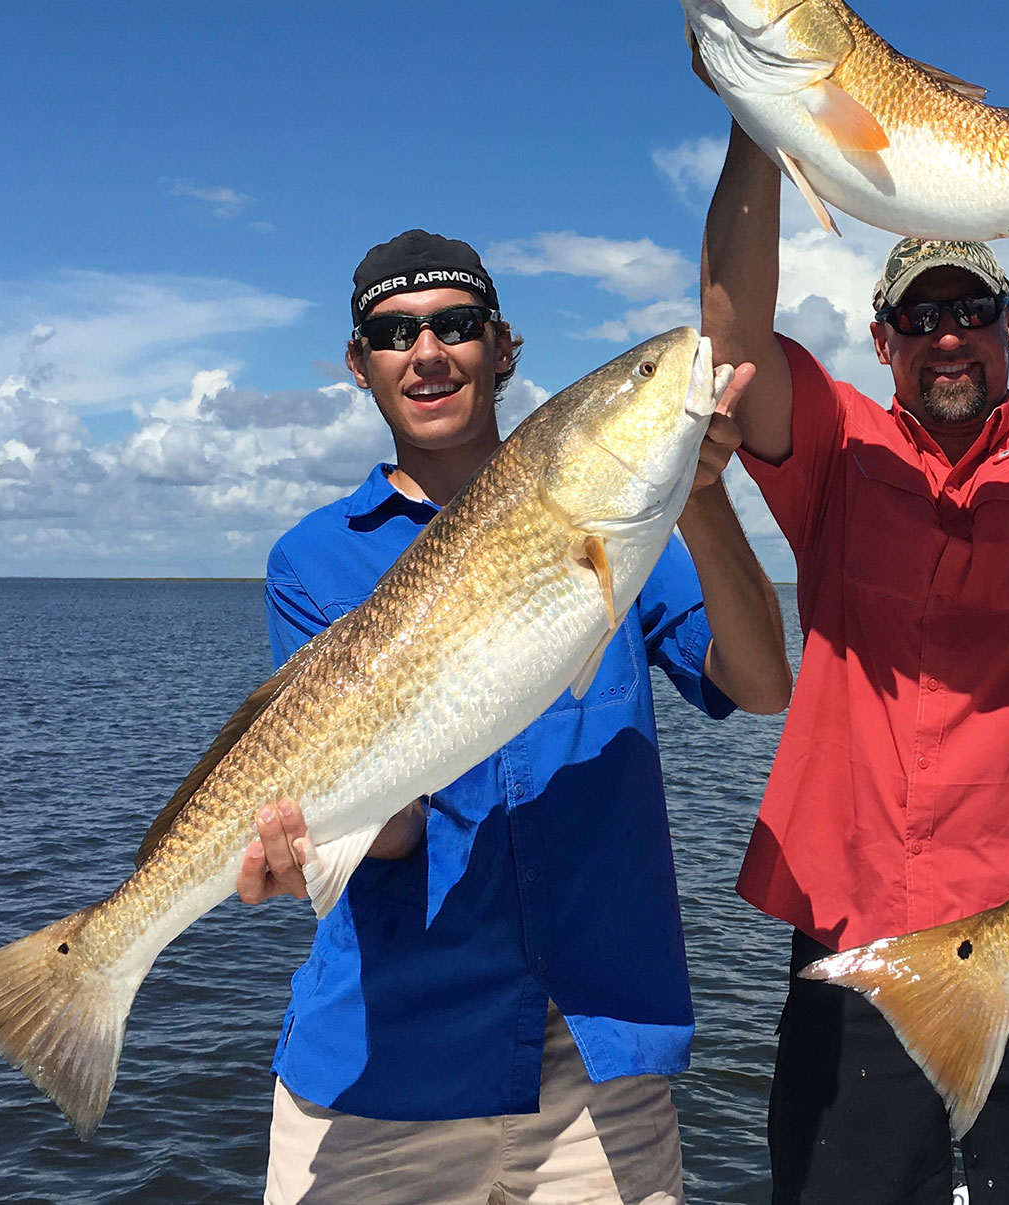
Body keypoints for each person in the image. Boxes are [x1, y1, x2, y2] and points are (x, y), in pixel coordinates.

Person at [237, 229, 793, 1205]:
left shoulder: (629, 523)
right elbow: (397, 823)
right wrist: (321, 832)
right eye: (394, 331)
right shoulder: (312, 559)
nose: (427, 351)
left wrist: (700, 499)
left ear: (501, 347)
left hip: (596, 1062)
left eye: (455, 325)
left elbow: (757, 683)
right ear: (359, 363)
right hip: (383, 1066)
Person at [698, 113, 1009, 1204]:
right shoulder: (835, 446)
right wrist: (753, 120)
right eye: (919, 316)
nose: (946, 335)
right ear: (882, 339)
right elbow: (730, 344)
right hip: (855, 923)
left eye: (969, 312)